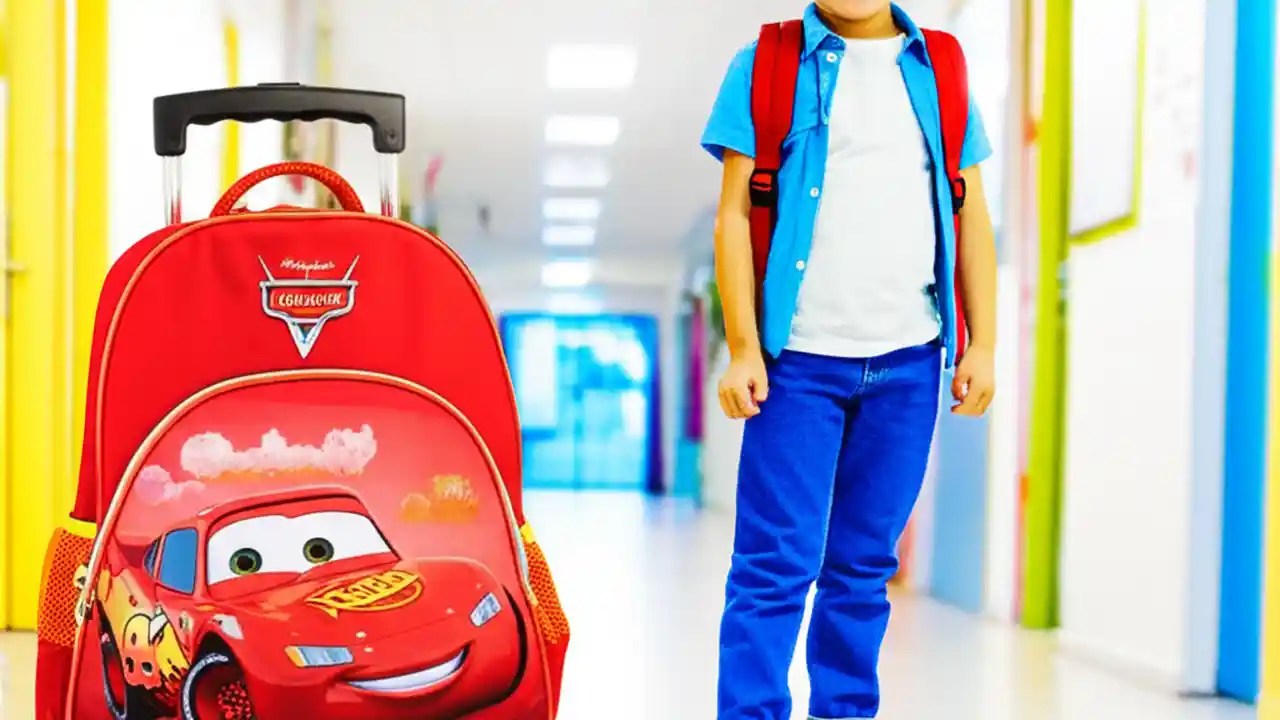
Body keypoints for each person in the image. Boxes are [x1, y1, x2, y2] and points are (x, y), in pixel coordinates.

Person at [700, 1, 997, 718]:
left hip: (908, 363)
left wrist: (983, 342)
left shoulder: (943, 69)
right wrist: (743, 347)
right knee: (774, 569)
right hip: (797, 364)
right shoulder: (765, 65)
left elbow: (970, 212)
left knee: (863, 570)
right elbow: (735, 214)